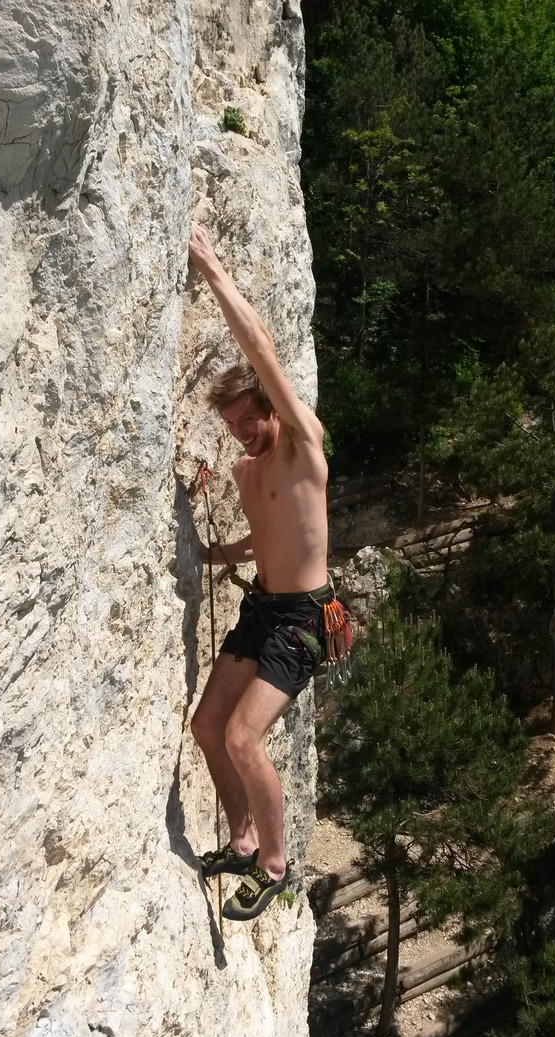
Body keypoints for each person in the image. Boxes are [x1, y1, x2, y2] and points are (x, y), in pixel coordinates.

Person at [188, 223, 330, 921]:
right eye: (232, 425)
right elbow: (265, 539)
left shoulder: (303, 447)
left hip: (305, 619)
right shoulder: (247, 472)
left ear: (272, 409)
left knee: (245, 737)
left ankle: (274, 866)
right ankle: (243, 841)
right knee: (208, 726)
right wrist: (217, 554)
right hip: (262, 610)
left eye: (249, 419)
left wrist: (213, 271)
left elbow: (261, 349)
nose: (242, 433)